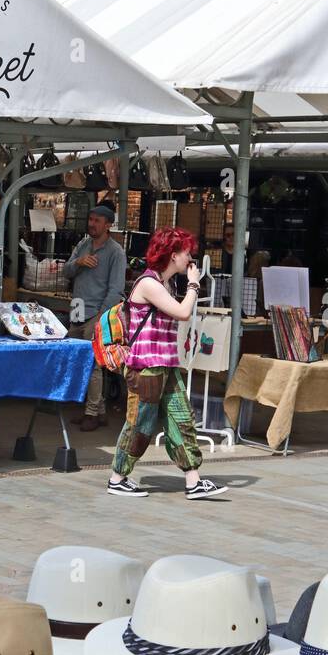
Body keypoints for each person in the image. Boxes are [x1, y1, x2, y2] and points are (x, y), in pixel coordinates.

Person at [108, 227, 226, 501]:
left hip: (166, 365)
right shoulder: (149, 284)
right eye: (187, 253)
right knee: (140, 425)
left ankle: (193, 480)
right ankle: (117, 477)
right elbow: (183, 312)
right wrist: (194, 284)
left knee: (181, 419)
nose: (191, 258)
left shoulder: (166, 284)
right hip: (145, 367)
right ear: (173, 255)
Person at [64, 203, 126, 430]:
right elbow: (66, 271)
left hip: (96, 314)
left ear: (108, 225)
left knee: (92, 364)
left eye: (97, 220)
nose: (91, 224)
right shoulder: (83, 244)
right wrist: (78, 262)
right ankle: (98, 410)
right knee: (80, 360)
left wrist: (102, 316)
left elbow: (116, 288)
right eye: (90, 219)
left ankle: (91, 411)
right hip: (77, 309)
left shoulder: (115, 252)